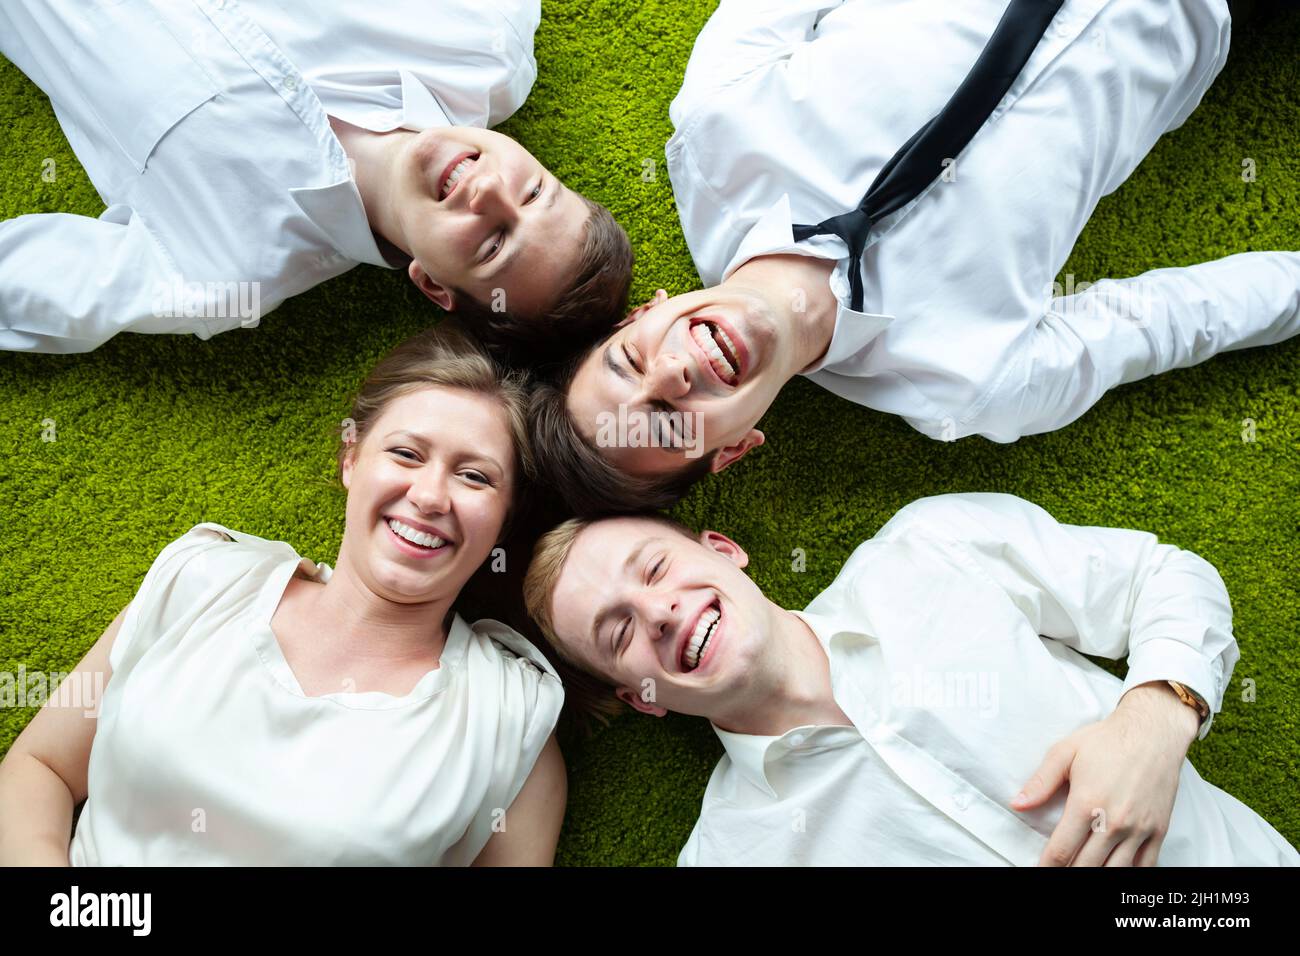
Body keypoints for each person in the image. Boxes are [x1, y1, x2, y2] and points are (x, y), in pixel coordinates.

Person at [532, 0, 1300, 513]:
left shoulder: (717, 123)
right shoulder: (973, 382)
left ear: (645, 310)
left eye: (629, 364)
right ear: (734, 449)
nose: (672, 376)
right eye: (669, 426)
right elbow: (1179, 320)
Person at [0, 323, 566, 865]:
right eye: (406, 454)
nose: (430, 496)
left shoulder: (506, 718)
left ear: (505, 518)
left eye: (475, 477)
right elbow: (40, 766)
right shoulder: (203, 580)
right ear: (351, 460)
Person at [523, 492, 1300, 865]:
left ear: (723, 550)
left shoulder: (926, 550)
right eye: (618, 631)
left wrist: (1155, 720)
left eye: (655, 568)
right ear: (641, 701)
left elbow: (1159, 577)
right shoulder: (731, 858)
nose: (657, 612)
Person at [0, 0, 632, 361]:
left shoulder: (227, 272)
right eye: (533, 192)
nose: (488, 191)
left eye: (493, 244)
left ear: (434, 286)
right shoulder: (483, 40)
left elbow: (36, 284)